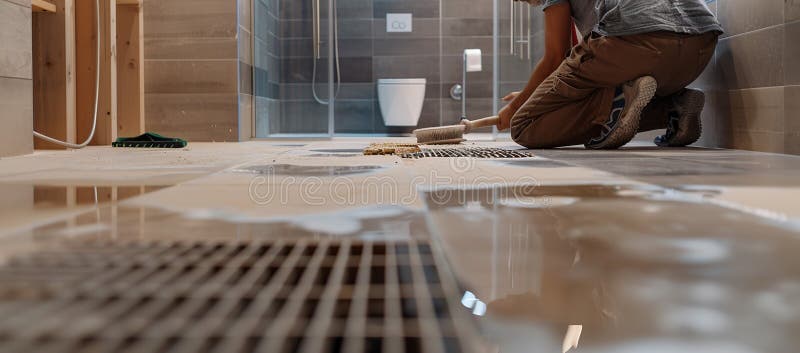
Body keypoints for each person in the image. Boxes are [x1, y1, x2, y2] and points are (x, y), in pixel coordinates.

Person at [499, 0, 722, 149]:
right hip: (702, 45)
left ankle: (618, 110)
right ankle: (674, 107)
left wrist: (513, 108)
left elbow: (555, 58)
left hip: (636, 40)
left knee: (524, 125)